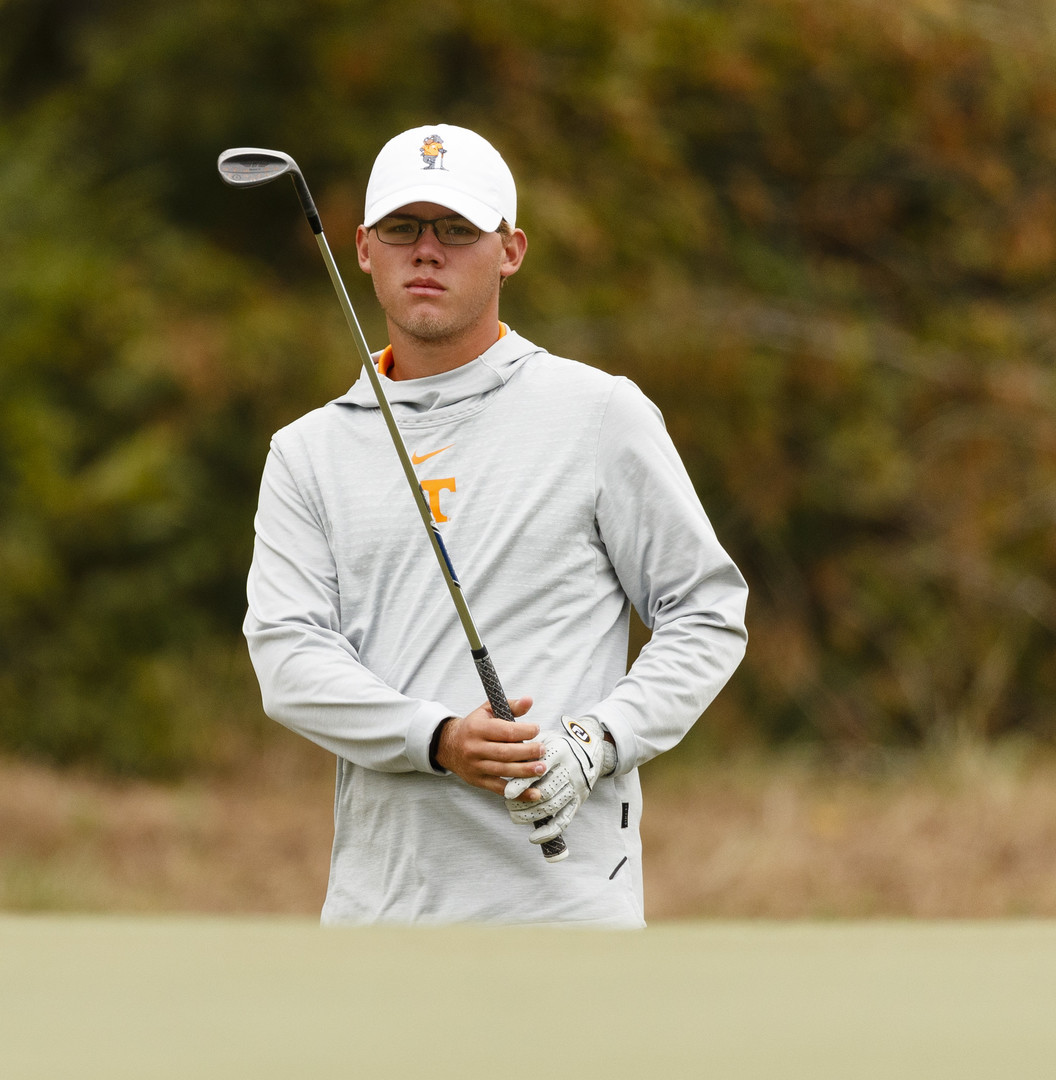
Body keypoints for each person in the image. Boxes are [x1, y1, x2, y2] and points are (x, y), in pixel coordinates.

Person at [243, 124, 748, 926]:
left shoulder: (599, 414)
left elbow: (707, 613)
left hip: (566, 912)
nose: (428, 252)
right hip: (381, 912)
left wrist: (596, 740)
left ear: (510, 249)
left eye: (457, 230)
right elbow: (288, 657)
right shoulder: (308, 451)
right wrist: (438, 738)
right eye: (403, 229)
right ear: (364, 249)